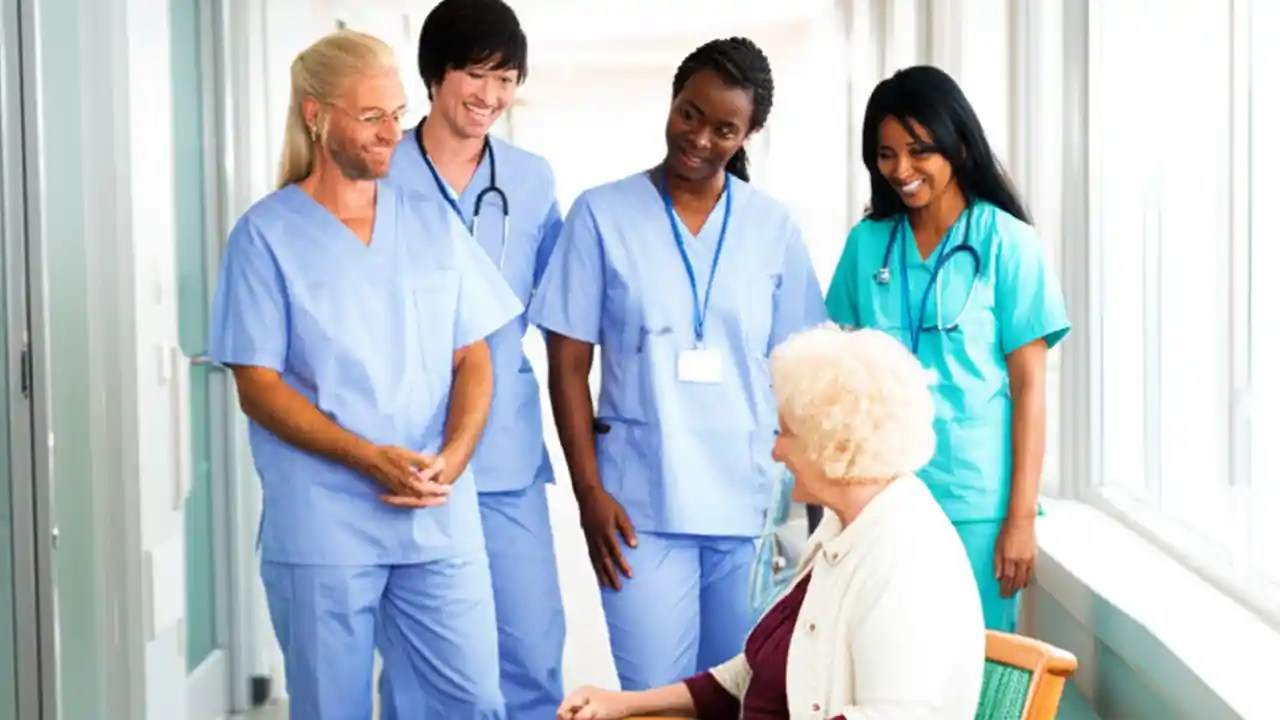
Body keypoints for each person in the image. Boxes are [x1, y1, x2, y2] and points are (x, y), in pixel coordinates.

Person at [207, 30, 520, 719]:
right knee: (332, 709)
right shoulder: (266, 237)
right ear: (316, 115)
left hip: (435, 517)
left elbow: (473, 354)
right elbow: (256, 385)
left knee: (471, 702)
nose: (392, 133)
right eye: (372, 116)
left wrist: (456, 459)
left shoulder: (431, 222)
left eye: (397, 113)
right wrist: (365, 457)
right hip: (325, 520)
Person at [529, 37, 828, 689]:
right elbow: (567, 366)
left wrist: (814, 503)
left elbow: (802, 373)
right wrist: (588, 494)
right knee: (654, 697)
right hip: (638, 506)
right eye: (689, 113)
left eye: (725, 128)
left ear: (748, 134)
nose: (698, 137)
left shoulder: (773, 227)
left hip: (748, 503)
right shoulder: (601, 215)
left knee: (741, 693)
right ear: (673, 101)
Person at [555, 325, 986, 720]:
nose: (776, 452)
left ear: (834, 444)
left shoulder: (906, 559)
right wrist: (627, 703)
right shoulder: (848, 526)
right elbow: (763, 668)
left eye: (786, 433)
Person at [824, 65, 1071, 632]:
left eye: (919, 150)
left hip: (974, 500)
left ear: (957, 144)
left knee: (975, 666)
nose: (902, 171)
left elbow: (1030, 387)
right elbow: (839, 375)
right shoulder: (868, 244)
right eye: (886, 154)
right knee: (887, 661)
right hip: (879, 496)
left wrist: (1019, 519)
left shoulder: (1008, 243)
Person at [385, 2, 565, 716]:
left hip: (503, 449)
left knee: (530, 644)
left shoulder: (531, 178)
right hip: (403, 441)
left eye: (506, 78)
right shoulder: (378, 169)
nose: (489, 95)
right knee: (413, 658)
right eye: (475, 73)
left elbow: (560, 309)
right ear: (435, 74)